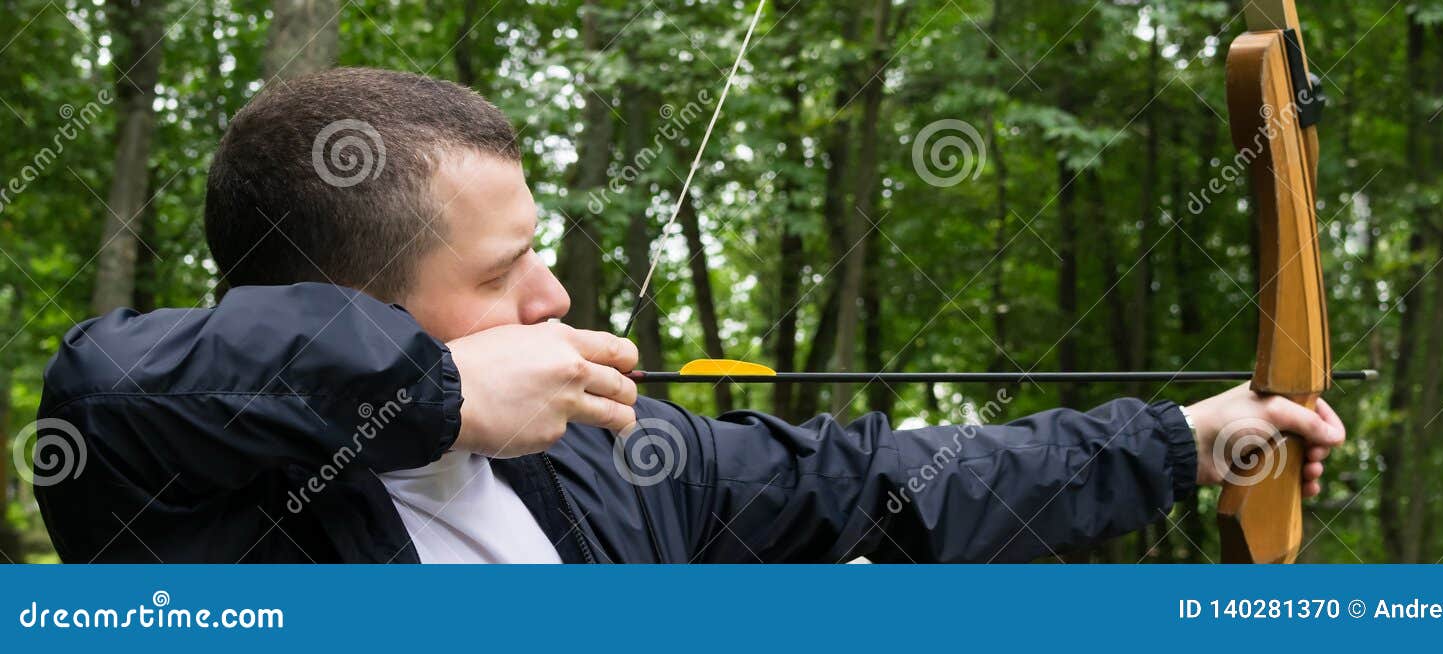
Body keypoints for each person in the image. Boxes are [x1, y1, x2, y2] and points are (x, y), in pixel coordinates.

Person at [34, 68, 1345, 563]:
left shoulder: (603, 466)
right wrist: (430, 394)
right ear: (337, 302)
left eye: (537, 255)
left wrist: (1188, 441)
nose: (551, 300)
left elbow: (901, 480)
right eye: (501, 276)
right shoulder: (198, 511)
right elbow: (107, 389)